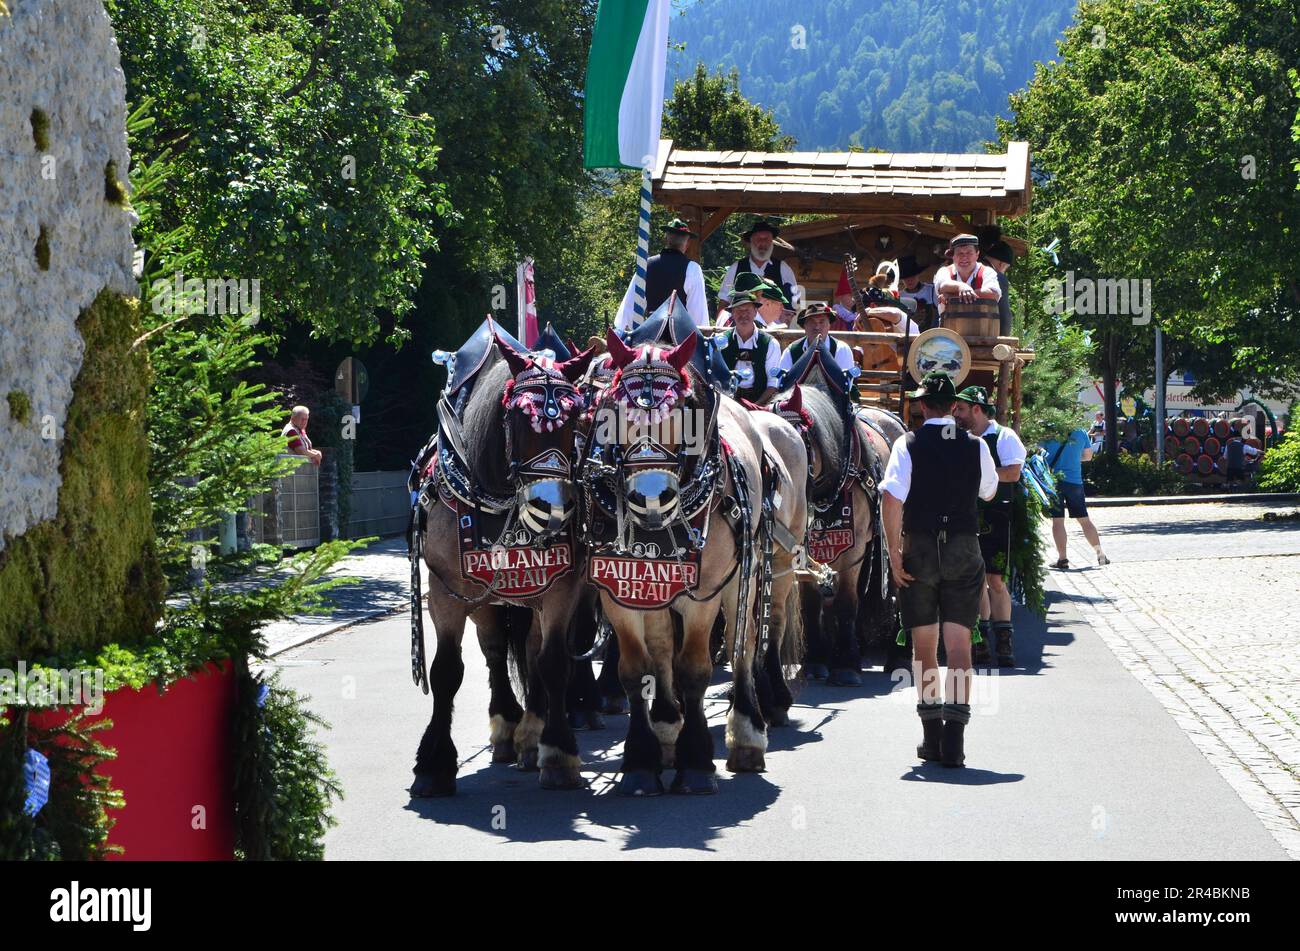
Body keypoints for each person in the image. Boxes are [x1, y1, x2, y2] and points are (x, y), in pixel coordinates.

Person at [880, 371, 998, 768]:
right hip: (964, 548)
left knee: (925, 649)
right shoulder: (976, 445)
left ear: (922, 405)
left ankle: (931, 738)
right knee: (961, 648)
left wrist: (894, 553)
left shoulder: (907, 443)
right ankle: (955, 742)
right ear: (953, 407)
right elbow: (989, 490)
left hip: (921, 547)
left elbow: (893, 499)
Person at [952, 386, 1026, 668]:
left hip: (997, 517)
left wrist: (974, 476)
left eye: (960, 409)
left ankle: (1004, 640)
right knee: (974, 579)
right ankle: (980, 639)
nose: (955, 414)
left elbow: (1012, 473)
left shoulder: (1004, 437)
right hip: (966, 517)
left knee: (995, 579)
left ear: (977, 409)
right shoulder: (959, 438)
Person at [615, 218, 709, 332]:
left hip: (650, 335)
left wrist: (624, 334)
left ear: (666, 239)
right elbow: (698, 314)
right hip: (679, 340)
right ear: (687, 243)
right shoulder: (693, 269)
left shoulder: (646, 266)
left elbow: (628, 310)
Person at [1040, 427, 1109, 568]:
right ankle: (1100, 554)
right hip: (1074, 482)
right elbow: (1088, 456)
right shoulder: (1081, 432)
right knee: (1084, 520)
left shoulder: (1049, 430)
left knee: (1057, 522)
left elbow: (1038, 452)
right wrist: (1073, 458)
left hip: (1054, 482)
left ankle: (1063, 559)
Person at [715, 290, 781, 405]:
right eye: (738, 310)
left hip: (760, 404)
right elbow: (714, 377)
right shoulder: (720, 341)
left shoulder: (770, 343)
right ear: (732, 313)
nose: (743, 314)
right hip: (726, 402)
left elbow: (773, 384)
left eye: (747, 310)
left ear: (755, 312)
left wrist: (756, 406)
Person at [717, 218, 798, 311]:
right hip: (743, 323)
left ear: (772, 242)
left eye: (766, 239)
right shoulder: (736, 267)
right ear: (751, 241)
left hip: (776, 325)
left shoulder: (783, 268)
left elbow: (794, 301)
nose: (762, 243)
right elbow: (724, 302)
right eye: (758, 239)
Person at [777, 302, 855, 382]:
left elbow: (845, 384)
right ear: (804, 326)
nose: (817, 327)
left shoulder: (841, 349)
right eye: (811, 322)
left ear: (829, 325)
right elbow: (782, 383)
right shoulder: (791, 350)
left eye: (821, 322)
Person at [933, 234, 1000, 322]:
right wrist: (962, 287)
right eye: (960, 253)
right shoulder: (944, 271)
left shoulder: (987, 272)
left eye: (969, 253)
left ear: (977, 254)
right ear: (953, 256)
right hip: (949, 331)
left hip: (982, 329)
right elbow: (943, 286)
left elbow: (993, 293)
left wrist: (952, 296)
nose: (964, 257)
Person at [982, 240, 1015, 337]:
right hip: (985, 337)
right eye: (1006, 268)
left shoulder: (968, 268)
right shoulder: (997, 277)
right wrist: (1004, 340)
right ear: (1002, 264)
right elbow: (1004, 315)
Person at [898, 255, 937, 330]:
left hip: (931, 335)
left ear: (918, 275)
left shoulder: (931, 290)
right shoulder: (900, 296)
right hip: (908, 336)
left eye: (912, 276)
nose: (909, 280)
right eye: (906, 277)